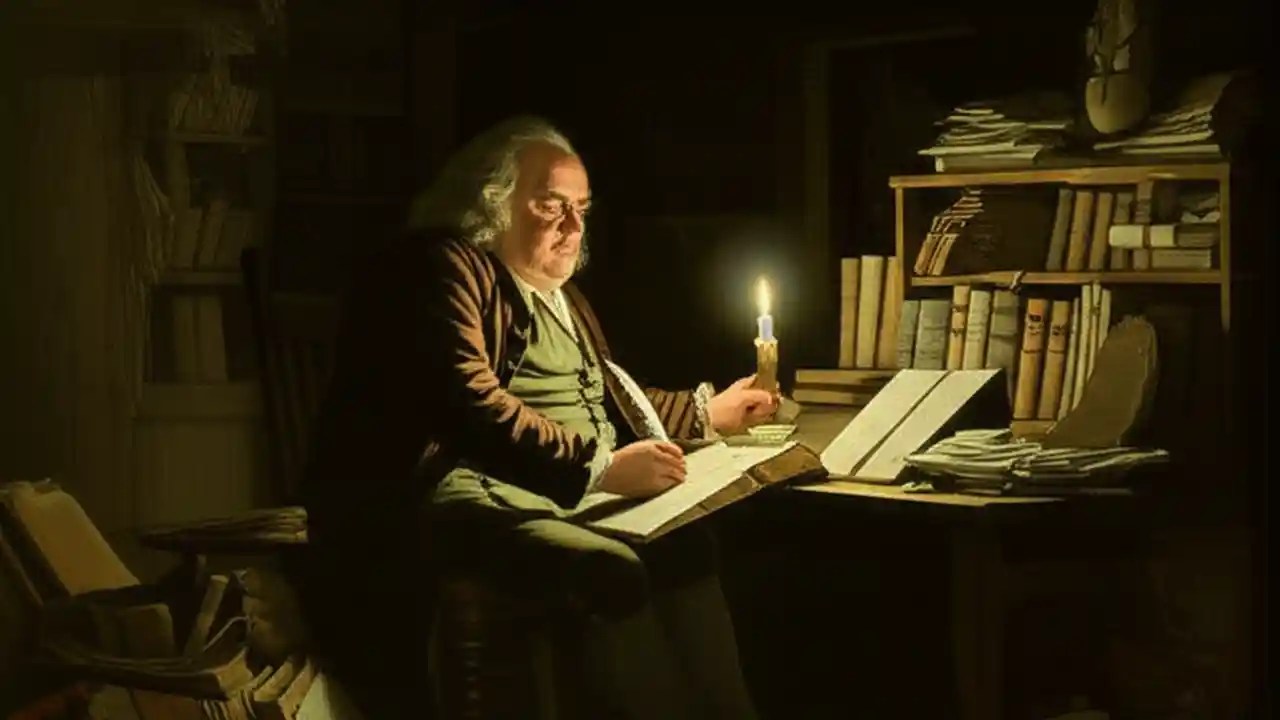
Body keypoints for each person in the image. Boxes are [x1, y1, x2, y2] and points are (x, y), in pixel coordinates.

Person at [299, 115, 779, 719]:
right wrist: (602, 468)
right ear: (492, 203)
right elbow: (470, 402)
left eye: (581, 207)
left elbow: (608, 394)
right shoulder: (446, 267)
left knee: (691, 551)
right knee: (614, 571)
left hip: (572, 491)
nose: (574, 226)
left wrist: (708, 410)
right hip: (473, 492)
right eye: (552, 205)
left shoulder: (561, 294)